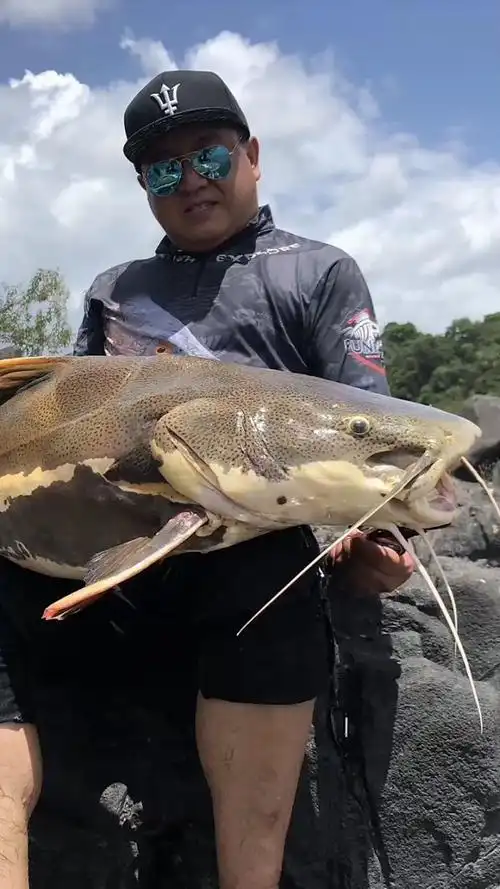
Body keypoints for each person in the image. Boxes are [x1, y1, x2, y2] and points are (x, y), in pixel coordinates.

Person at [0, 69, 414, 889]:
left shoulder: (318, 274)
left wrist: (384, 541)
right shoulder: (113, 290)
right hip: (119, 561)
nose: (189, 180)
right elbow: (68, 409)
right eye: (162, 169)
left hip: (244, 559)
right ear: (143, 186)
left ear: (252, 155)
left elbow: (370, 432)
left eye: (210, 156)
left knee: (264, 566)